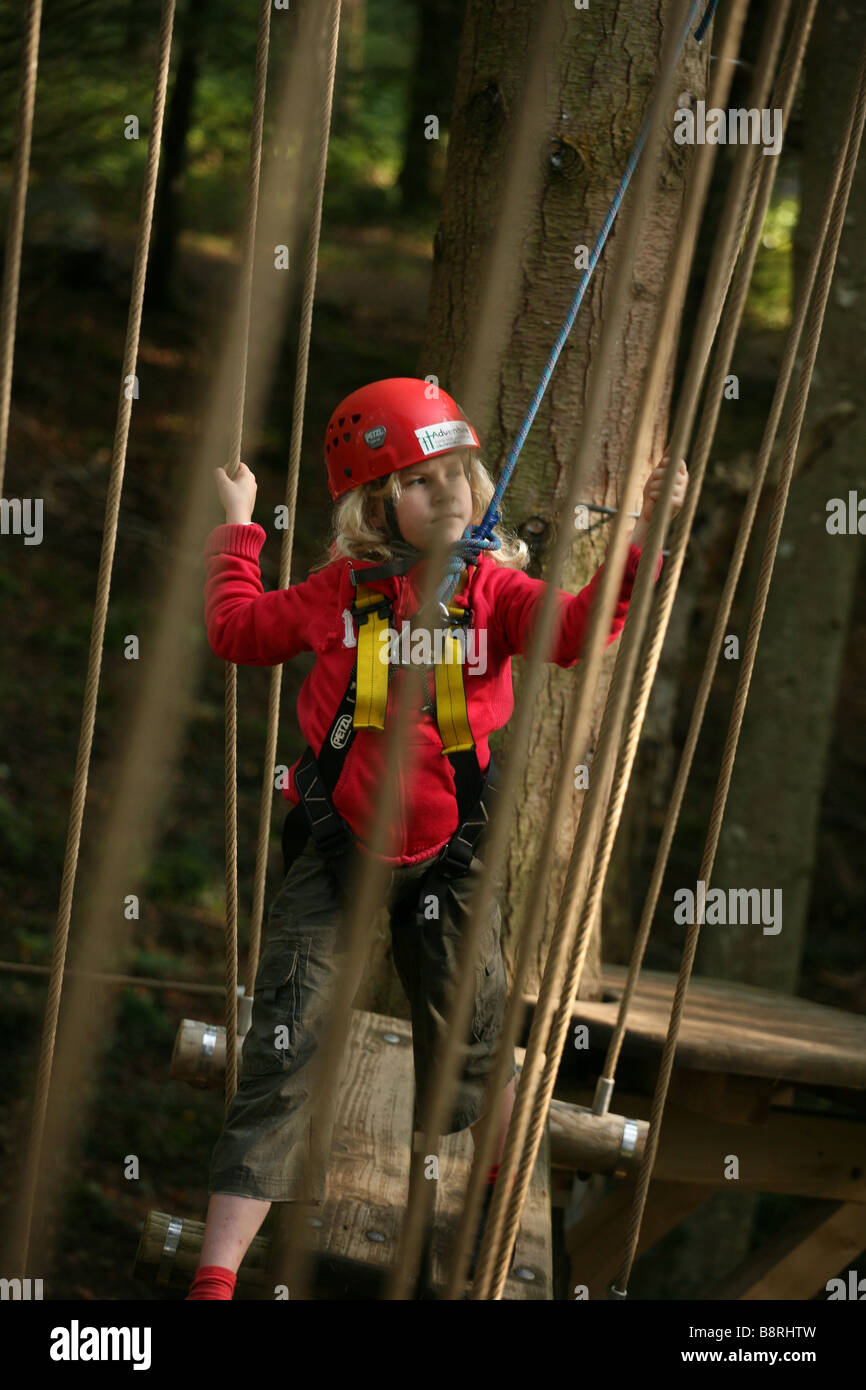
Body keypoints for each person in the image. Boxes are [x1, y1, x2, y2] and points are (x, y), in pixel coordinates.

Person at [187, 377, 687, 1299]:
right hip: (337, 854)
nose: (450, 492)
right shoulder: (338, 593)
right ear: (374, 510)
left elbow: (574, 632)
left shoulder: (493, 594)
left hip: (448, 860)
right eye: (420, 482)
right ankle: (216, 1275)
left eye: (460, 472)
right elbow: (234, 629)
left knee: (473, 1036)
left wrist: (643, 541)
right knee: (284, 1050)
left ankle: (494, 1190)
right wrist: (239, 524)